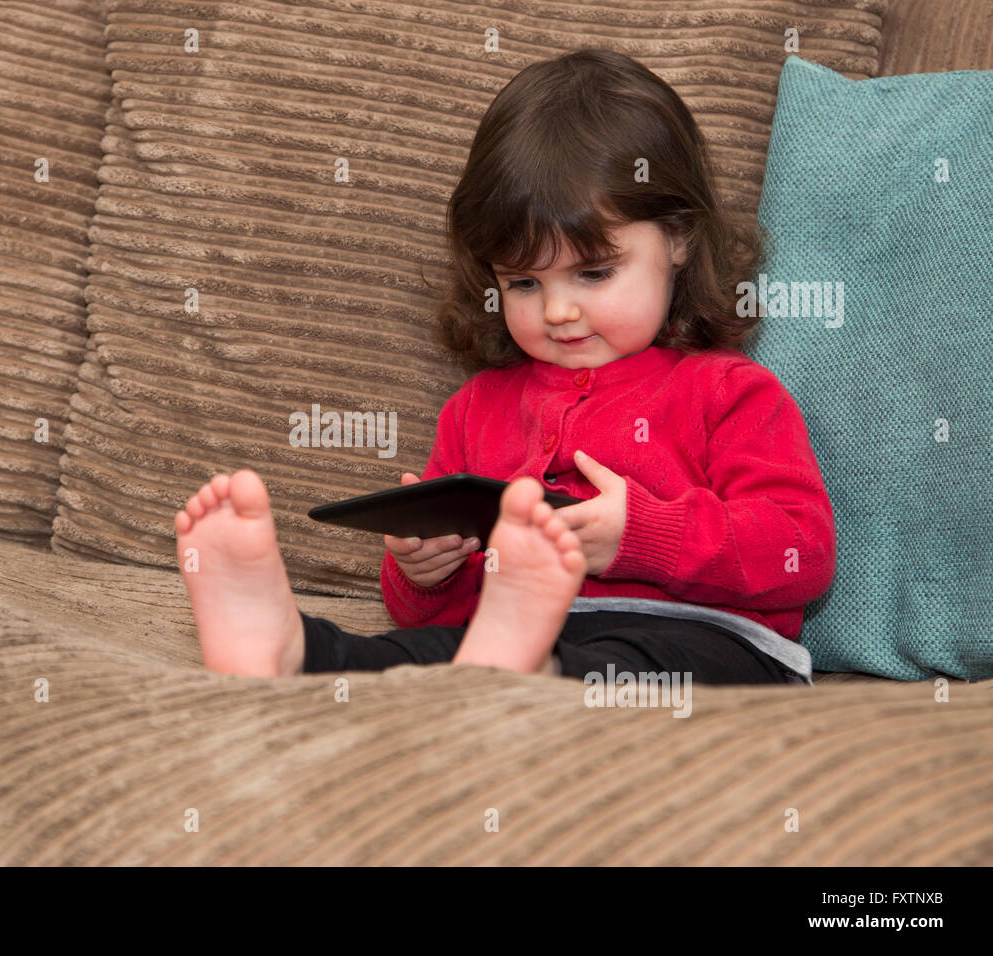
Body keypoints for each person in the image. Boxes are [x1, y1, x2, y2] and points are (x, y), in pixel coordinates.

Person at [173, 50, 836, 686]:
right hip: (510, 633)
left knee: (632, 660)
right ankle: (293, 650)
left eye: (595, 273)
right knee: (422, 653)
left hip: (708, 642)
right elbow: (426, 614)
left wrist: (641, 535)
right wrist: (426, 570)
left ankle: (534, 675)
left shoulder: (730, 392)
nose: (558, 311)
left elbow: (801, 551)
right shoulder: (476, 410)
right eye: (523, 284)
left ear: (680, 237)